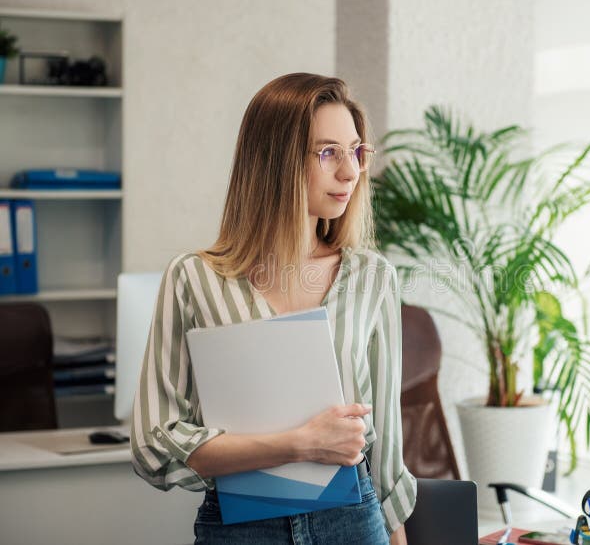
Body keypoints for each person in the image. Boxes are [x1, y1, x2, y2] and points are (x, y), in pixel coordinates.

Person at [130, 73, 416, 545]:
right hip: (239, 529)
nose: (350, 172)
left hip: (352, 520)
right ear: (274, 161)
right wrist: (300, 444)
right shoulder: (193, 279)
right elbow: (154, 441)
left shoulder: (372, 277)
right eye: (328, 153)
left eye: (356, 151)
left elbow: (385, 455)